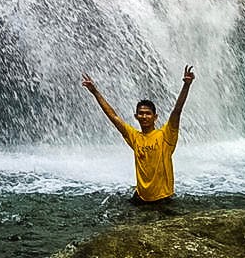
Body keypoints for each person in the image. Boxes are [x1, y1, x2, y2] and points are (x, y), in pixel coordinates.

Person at [81, 65, 195, 203]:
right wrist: (95, 92)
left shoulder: (166, 135)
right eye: (141, 113)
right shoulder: (135, 137)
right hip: (140, 197)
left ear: (155, 117)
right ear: (136, 116)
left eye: (148, 113)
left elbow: (177, 110)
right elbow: (113, 117)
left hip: (162, 197)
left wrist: (186, 85)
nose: (144, 116)